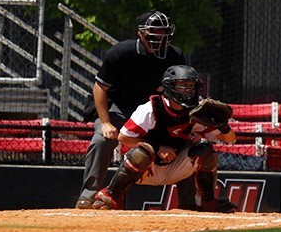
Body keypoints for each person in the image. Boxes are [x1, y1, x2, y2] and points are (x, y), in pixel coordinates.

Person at [76, 10, 187, 209]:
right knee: (102, 140)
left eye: (164, 34)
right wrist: (107, 123)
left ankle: (193, 201)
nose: (159, 39)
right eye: (154, 34)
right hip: (120, 108)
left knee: (185, 140)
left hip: (154, 110)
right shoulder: (121, 52)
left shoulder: (174, 55)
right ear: (141, 33)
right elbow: (100, 87)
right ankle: (89, 194)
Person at [92, 65, 237, 213]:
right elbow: (124, 137)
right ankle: (111, 196)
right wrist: (157, 148)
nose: (188, 90)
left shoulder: (196, 111)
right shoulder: (151, 108)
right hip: (146, 169)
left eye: (191, 85)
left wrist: (223, 126)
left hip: (176, 168)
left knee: (206, 151)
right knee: (142, 152)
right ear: (170, 87)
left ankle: (207, 202)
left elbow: (231, 139)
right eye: (182, 85)